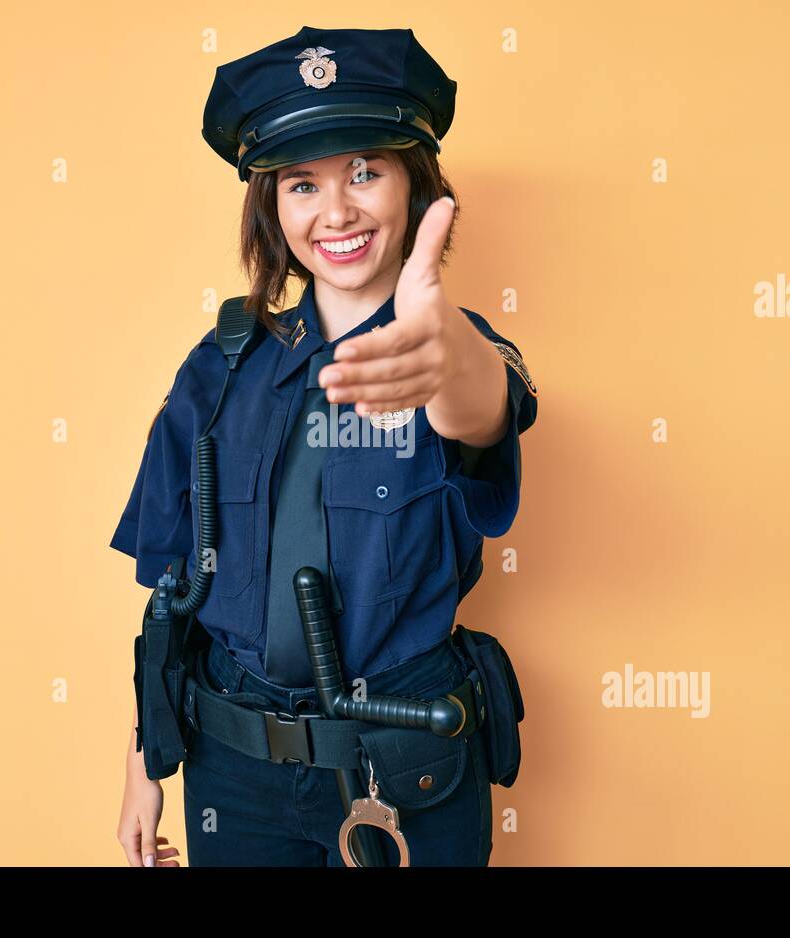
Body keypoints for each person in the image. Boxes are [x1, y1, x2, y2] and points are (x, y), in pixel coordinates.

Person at [113, 26, 538, 867]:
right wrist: (143, 764)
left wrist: (449, 352)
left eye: (366, 172)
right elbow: (171, 592)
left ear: (416, 190)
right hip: (233, 777)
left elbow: (484, 410)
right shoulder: (218, 367)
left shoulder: (453, 350)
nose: (336, 211)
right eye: (302, 184)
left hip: (407, 775)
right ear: (272, 208)